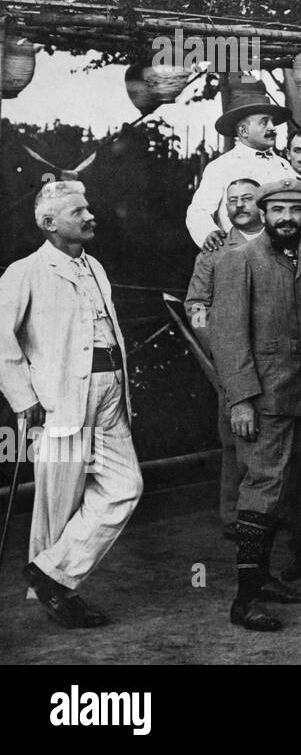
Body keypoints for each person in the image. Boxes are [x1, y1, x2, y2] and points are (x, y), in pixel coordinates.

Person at [0, 181, 144, 629]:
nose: (90, 216)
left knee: (125, 486)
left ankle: (51, 574)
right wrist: (25, 400)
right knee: (58, 501)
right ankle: (58, 592)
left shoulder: (95, 266)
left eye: (88, 208)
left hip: (109, 393)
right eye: (78, 212)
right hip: (59, 400)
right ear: (49, 224)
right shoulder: (25, 272)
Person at [209, 177, 301, 630]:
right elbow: (228, 335)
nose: (287, 218)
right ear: (263, 213)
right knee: (259, 490)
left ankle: (265, 579)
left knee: (281, 492)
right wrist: (241, 401)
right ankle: (245, 598)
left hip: (299, 398)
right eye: (278, 210)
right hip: (263, 399)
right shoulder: (240, 259)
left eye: (296, 210)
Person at [184, 178, 264, 537]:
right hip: (231, 360)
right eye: (232, 201)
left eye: (248, 198)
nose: (240, 206)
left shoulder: (278, 243)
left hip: (275, 360)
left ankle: (271, 511)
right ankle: (234, 514)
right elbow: (196, 305)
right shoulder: (213, 250)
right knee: (235, 437)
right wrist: (220, 346)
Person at [185, 88, 293, 249]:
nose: (273, 128)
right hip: (239, 255)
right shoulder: (221, 167)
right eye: (264, 122)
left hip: (281, 255)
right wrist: (210, 233)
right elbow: (198, 212)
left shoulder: (283, 165)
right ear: (243, 130)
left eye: (272, 122)